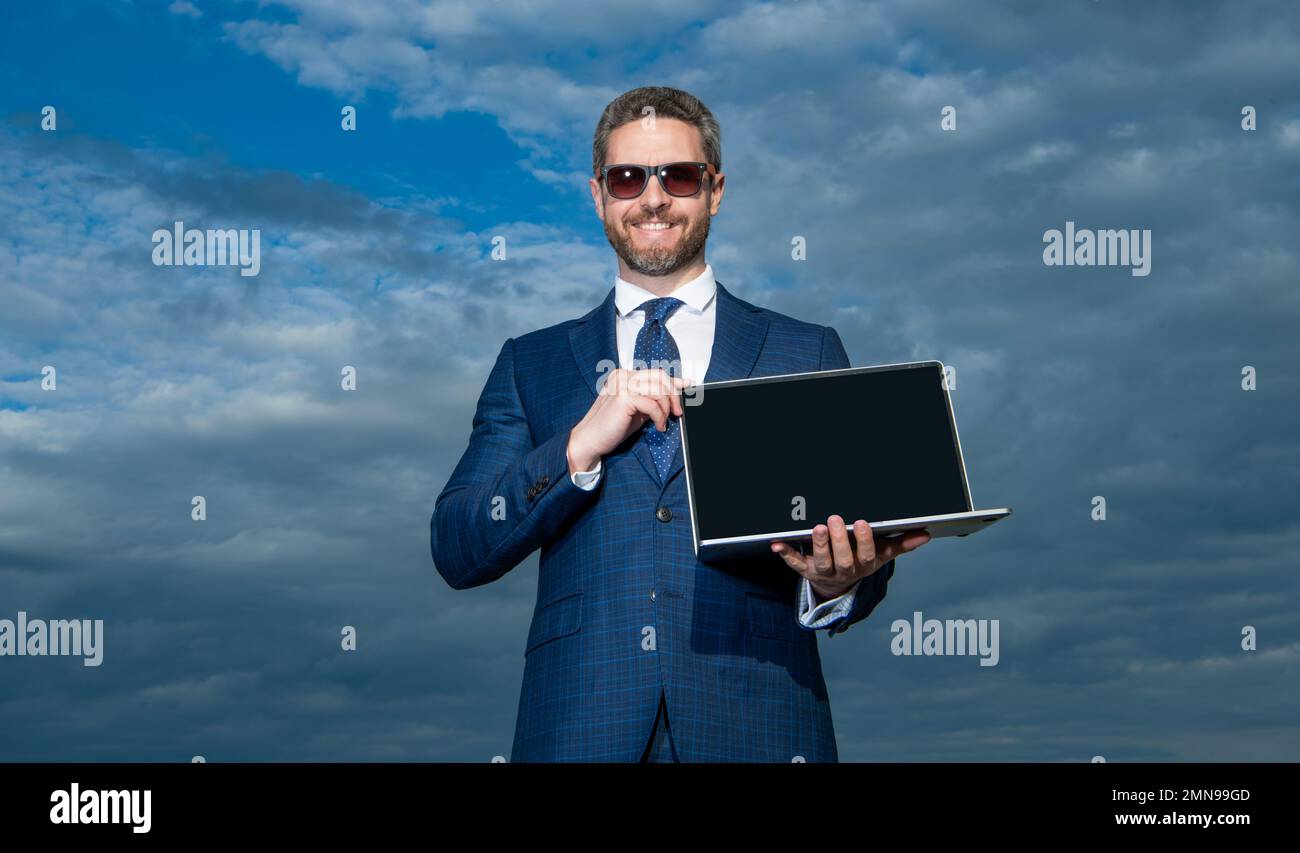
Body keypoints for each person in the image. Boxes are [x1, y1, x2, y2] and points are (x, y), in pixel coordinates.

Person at [431, 86, 931, 762]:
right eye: (628, 178)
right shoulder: (531, 364)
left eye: (680, 176)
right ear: (599, 195)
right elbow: (458, 545)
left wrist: (836, 581)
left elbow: (861, 549)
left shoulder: (804, 351)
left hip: (760, 727)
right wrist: (577, 449)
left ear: (715, 190)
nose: (654, 198)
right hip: (579, 728)